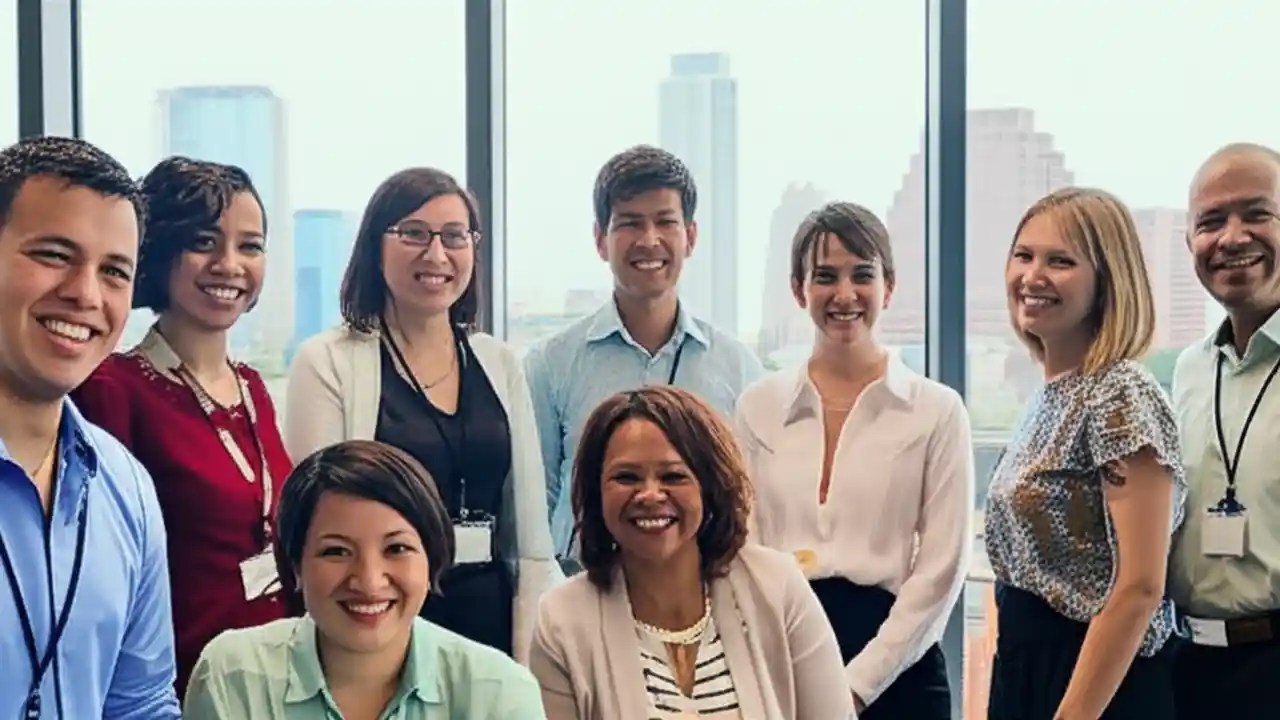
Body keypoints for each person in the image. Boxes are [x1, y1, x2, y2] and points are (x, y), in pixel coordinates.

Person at [286, 167, 560, 662]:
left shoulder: (498, 362)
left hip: (488, 615)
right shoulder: (328, 361)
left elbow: (531, 535)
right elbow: (315, 524)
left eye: (455, 236)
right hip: (378, 610)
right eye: (413, 233)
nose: (436, 254)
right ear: (375, 245)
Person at [734, 201, 973, 719]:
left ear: (888, 285)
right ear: (799, 290)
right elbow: (743, 545)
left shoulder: (936, 410)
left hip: (898, 669)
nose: (844, 295)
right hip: (783, 656)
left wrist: (853, 688)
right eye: (825, 277)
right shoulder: (758, 406)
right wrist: (793, 674)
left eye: (862, 275)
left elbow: (940, 572)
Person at [71, 156, 293, 695]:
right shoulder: (112, 389)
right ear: (161, 250)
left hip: (277, 672)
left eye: (250, 245)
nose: (229, 264)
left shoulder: (255, 389)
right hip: (175, 684)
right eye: (204, 242)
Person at [529, 386, 855, 720]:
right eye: (626, 478)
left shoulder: (779, 588)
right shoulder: (561, 621)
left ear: (709, 487)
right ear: (597, 493)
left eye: (673, 476)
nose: (650, 495)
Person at [983, 187, 1186, 719]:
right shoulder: (1047, 396)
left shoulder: (1119, 394)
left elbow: (1140, 586)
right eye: (1023, 255)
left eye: (1061, 261)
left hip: (1094, 682)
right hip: (1028, 665)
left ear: (1106, 281)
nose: (1033, 275)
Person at [0, 136, 181, 717]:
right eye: (53, 254)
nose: (84, 294)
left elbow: (142, 705)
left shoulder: (124, 487)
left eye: (114, 272)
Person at [184, 439, 547, 718]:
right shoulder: (233, 675)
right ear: (295, 565)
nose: (369, 581)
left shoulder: (499, 693)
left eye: (397, 549)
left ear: (433, 557)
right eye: (337, 552)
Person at [524, 145, 765, 560]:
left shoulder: (737, 367)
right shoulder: (551, 364)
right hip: (582, 591)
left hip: (704, 594)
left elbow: (748, 502)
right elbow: (532, 506)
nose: (649, 240)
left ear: (690, 237)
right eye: (630, 223)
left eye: (665, 222)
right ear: (601, 240)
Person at [1169, 142, 1280, 717]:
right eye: (1211, 221)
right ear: (1190, 242)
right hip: (1186, 667)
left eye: (1256, 214)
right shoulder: (1188, 371)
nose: (1232, 237)